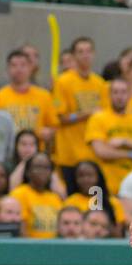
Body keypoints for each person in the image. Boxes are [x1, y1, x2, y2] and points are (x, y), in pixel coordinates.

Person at [52, 37, 108, 188]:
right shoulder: (63, 81)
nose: (85, 55)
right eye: (80, 51)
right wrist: (89, 113)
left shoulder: (100, 83)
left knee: (93, 202)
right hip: (69, 156)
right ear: (74, 56)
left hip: (93, 156)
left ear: (94, 54)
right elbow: (61, 117)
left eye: (89, 51)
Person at [11, 152, 64, 238]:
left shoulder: (55, 197)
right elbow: (21, 228)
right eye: (38, 167)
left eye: (46, 168)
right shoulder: (19, 194)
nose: (42, 171)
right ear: (28, 171)